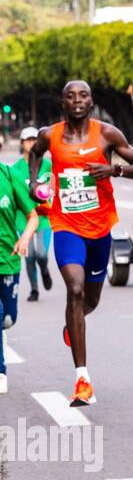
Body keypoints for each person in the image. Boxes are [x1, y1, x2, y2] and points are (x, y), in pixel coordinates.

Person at [28, 80, 133, 406]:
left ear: (91, 101)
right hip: (66, 225)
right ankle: (83, 379)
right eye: (70, 95)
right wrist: (34, 180)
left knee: (89, 300)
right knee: (75, 289)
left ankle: (74, 323)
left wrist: (113, 170)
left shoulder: (107, 133)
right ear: (63, 102)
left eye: (83, 95)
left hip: (99, 229)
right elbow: (35, 155)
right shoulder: (50, 135)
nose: (77, 100)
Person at [0, 161, 41, 394]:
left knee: (7, 319)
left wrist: (24, 238)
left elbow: (32, 216)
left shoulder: (8, 175)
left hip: (8, 259)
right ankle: (0, 370)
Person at [14, 126, 53, 302]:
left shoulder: (48, 165)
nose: (31, 143)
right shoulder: (15, 169)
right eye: (28, 140)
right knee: (29, 256)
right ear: (22, 143)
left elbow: (56, 186)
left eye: (34, 140)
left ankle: (44, 270)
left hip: (44, 217)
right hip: (24, 219)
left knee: (42, 254)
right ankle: (34, 289)